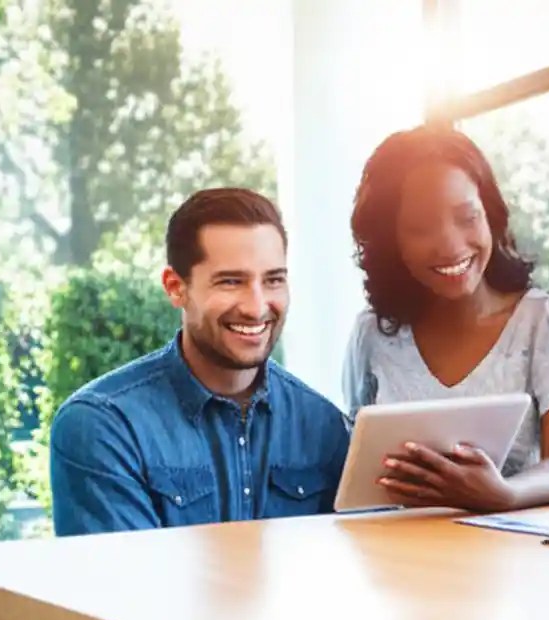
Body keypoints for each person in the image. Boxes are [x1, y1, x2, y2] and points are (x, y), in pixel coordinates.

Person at [50, 188, 349, 536]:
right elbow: (123, 584)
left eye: (273, 280)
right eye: (231, 282)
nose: (256, 306)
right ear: (176, 287)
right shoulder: (103, 427)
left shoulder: (322, 425)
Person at [343, 126, 549, 513]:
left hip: (516, 557)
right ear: (392, 241)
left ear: (491, 216)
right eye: (420, 229)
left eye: (467, 217)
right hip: (395, 555)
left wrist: (505, 494)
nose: (450, 246)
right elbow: (357, 465)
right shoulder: (374, 333)